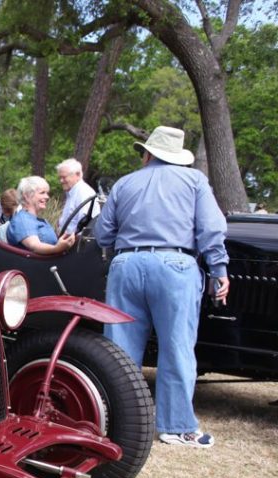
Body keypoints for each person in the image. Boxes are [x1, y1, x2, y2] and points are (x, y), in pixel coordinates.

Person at [95, 125, 230, 448]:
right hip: (175, 264)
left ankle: (116, 424)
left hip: (126, 264)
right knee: (176, 347)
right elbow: (211, 229)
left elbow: (103, 233)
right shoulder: (194, 180)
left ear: (148, 153)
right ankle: (176, 427)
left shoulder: (124, 183)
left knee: (120, 350)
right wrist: (219, 269)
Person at [6, 176, 75, 254]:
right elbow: (34, 246)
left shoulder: (34, 219)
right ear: (27, 196)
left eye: (47, 193)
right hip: (37, 262)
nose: (47, 197)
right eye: (42, 193)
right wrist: (57, 248)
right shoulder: (22, 220)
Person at [56, 158, 100, 234]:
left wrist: (72, 238)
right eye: (60, 178)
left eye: (64, 177)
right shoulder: (73, 193)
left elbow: (84, 226)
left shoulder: (84, 193)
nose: (61, 181)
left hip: (75, 240)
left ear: (78, 175)